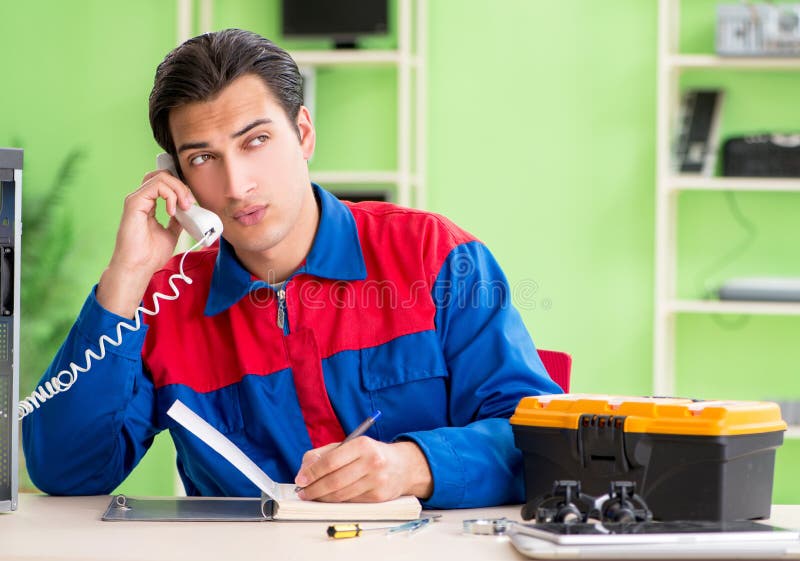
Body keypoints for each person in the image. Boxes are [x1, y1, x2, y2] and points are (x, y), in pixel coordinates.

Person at [22, 28, 562, 508]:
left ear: (303, 133)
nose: (237, 186)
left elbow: (541, 443)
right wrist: (123, 280)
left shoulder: (436, 256)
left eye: (256, 141)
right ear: (177, 179)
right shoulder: (162, 302)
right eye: (203, 158)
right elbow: (69, 474)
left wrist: (414, 466)